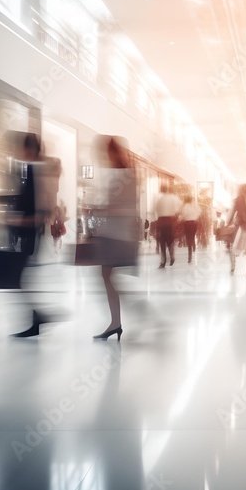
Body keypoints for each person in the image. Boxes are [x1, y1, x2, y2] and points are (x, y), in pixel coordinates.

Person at [93, 136, 139, 341]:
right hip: (113, 233)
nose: (104, 157)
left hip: (118, 235)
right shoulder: (120, 174)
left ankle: (118, 321)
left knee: (106, 276)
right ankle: (116, 322)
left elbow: (128, 208)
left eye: (106, 152)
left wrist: (103, 208)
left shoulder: (127, 175)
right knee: (107, 276)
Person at [11, 133, 50, 337]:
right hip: (28, 232)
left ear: (31, 150)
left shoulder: (36, 172)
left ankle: (38, 316)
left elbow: (38, 210)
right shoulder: (32, 171)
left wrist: (15, 221)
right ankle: (37, 316)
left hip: (29, 233)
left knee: (21, 278)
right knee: (22, 278)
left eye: (24, 148)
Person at [153, 185, 182, 268]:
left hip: (161, 221)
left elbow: (155, 210)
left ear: (161, 190)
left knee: (162, 242)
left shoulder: (159, 199)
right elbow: (180, 208)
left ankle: (163, 262)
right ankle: (172, 256)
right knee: (170, 240)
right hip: (170, 220)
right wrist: (176, 214)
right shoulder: (174, 197)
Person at [179, 194, 201, 264]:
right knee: (192, 236)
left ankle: (190, 256)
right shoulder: (195, 205)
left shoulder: (185, 206)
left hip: (187, 223)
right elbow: (200, 211)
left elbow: (182, 214)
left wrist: (180, 219)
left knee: (188, 239)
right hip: (194, 223)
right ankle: (193, 245)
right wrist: (195, 217)